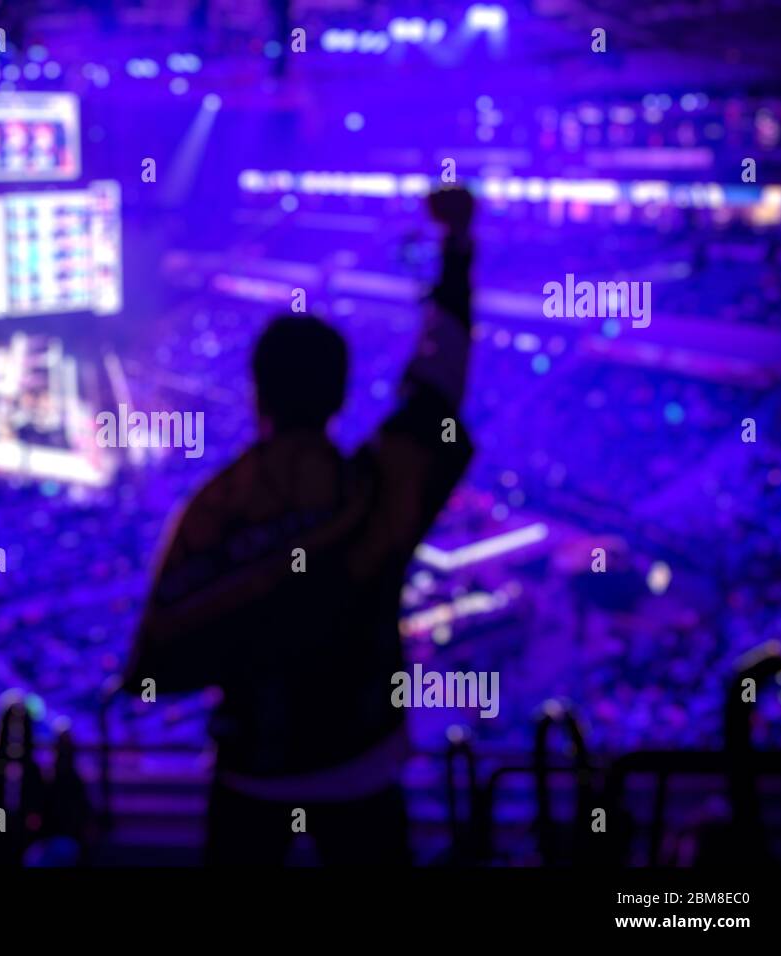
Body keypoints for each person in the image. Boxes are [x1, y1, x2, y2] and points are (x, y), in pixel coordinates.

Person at [123, 187, 477, 865]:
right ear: (342, 394)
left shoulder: (214, 510)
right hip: (364, 762)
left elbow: (157, 660)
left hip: (251, 767)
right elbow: (439, 385)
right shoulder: (377, 490)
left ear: (256, 391)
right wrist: (457, 248)